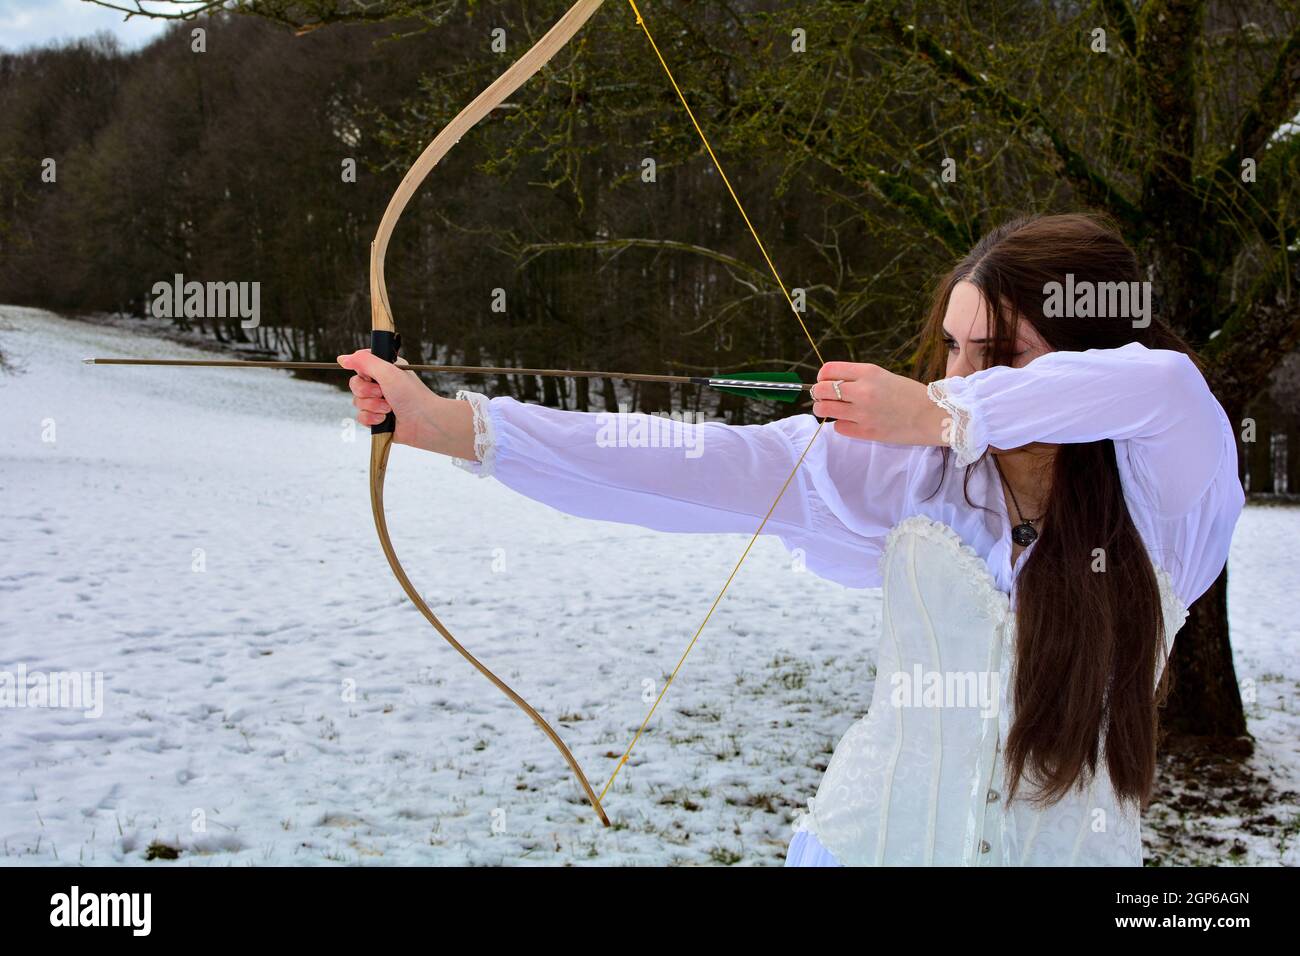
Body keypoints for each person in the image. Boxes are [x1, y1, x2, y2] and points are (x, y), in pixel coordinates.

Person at [338, 213, 1244, 866]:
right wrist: (452, 426)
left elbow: (1161, 386)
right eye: (954, 348)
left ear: (1086, 351)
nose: (960, 371)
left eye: (999, 355)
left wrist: (941, 409)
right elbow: (692, 462)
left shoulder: (1161, 493)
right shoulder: (914, 478)